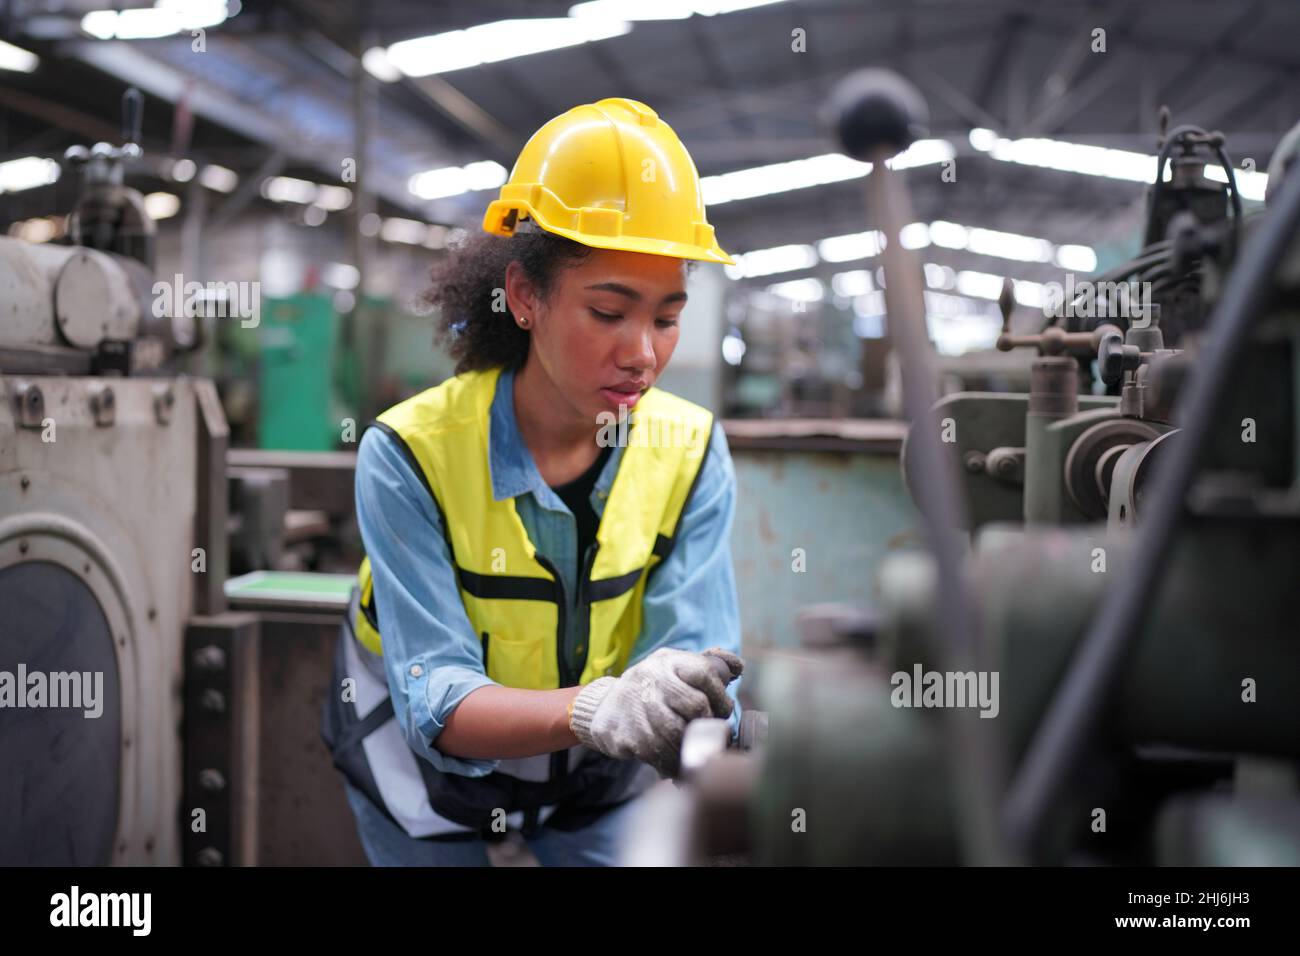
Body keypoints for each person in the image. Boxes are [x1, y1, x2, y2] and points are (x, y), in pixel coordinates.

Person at [321, 97, 745, 866]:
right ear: (524, 297)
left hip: (594, 780)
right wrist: (595, 707)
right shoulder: (410, 452)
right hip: (422, 782)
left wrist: (705, 707)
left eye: (666, 317)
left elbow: (693, 650)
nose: (643, 354)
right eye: (609, 311)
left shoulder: (691, 450)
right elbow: (437, 702)